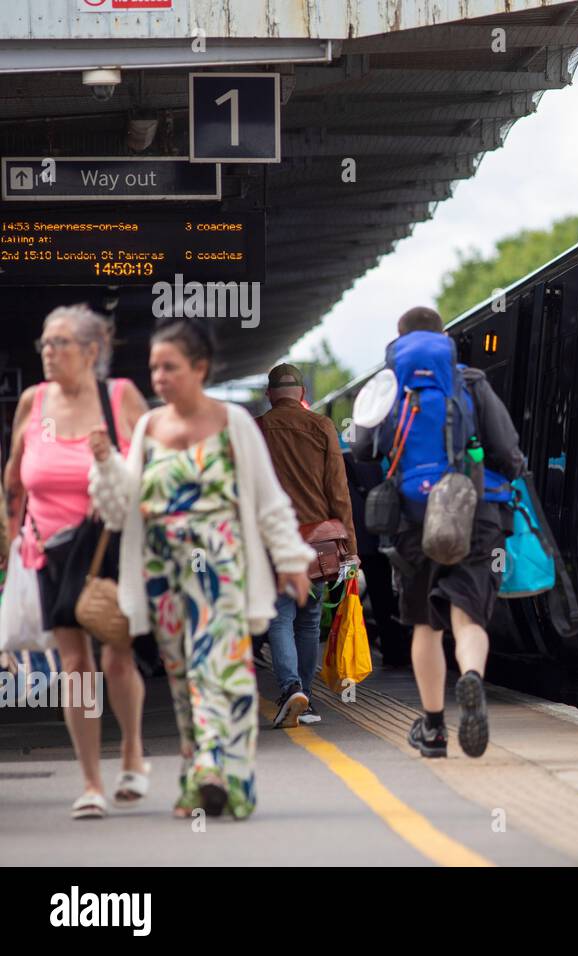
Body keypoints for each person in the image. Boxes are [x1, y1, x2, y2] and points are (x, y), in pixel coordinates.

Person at [88, 315, 315, 819]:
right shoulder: (149, 425)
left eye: (170, 367)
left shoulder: (234, 424)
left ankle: (217, 770)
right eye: (154, 368)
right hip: (162, 573)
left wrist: (292, 562)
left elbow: (269, 501)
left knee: (220, 670)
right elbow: (122, 504)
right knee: (184, 675)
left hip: (221, 568)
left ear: (200, 367)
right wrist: (105, 463)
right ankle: (200, 781)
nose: (160, 378)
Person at [4, 304, 150, 820]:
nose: (47, 351)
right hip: (47, 549)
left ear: (92, 351)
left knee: (115, 656)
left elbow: (153, 473)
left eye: (60, 342)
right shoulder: (33, 402)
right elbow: (14, 481)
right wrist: (13, 543)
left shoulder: (120, 398)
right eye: (44, 342)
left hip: (108, 543)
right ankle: (91, 781)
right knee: (75, 666)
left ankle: (132, 750)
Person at [362, 306, 523, 760]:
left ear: (399, 340)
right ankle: (471, 675)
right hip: (474, 510)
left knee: (425, 626)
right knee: (468, 616)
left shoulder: (388, 386)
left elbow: (360, 448)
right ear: (445, 339)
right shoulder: (470, 381)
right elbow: (508, 450)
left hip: (413, 520)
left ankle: (433, 729)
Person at [255, 363, 357, 728]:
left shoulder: (258, 429)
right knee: (309, 620)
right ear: (301, 395)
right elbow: (339, 492)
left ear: (270, 394)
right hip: (316, 544)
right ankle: (307, 702)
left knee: (280, 615)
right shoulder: (323, 426)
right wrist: (350, 549)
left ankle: (290, 688)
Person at [343, 445, 409, 668]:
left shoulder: (337, 458)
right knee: (383, 598)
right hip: (374, 538)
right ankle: (394, 653)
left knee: (343, 597)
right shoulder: (382, 458)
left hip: (345, 542)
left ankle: (347, 654)